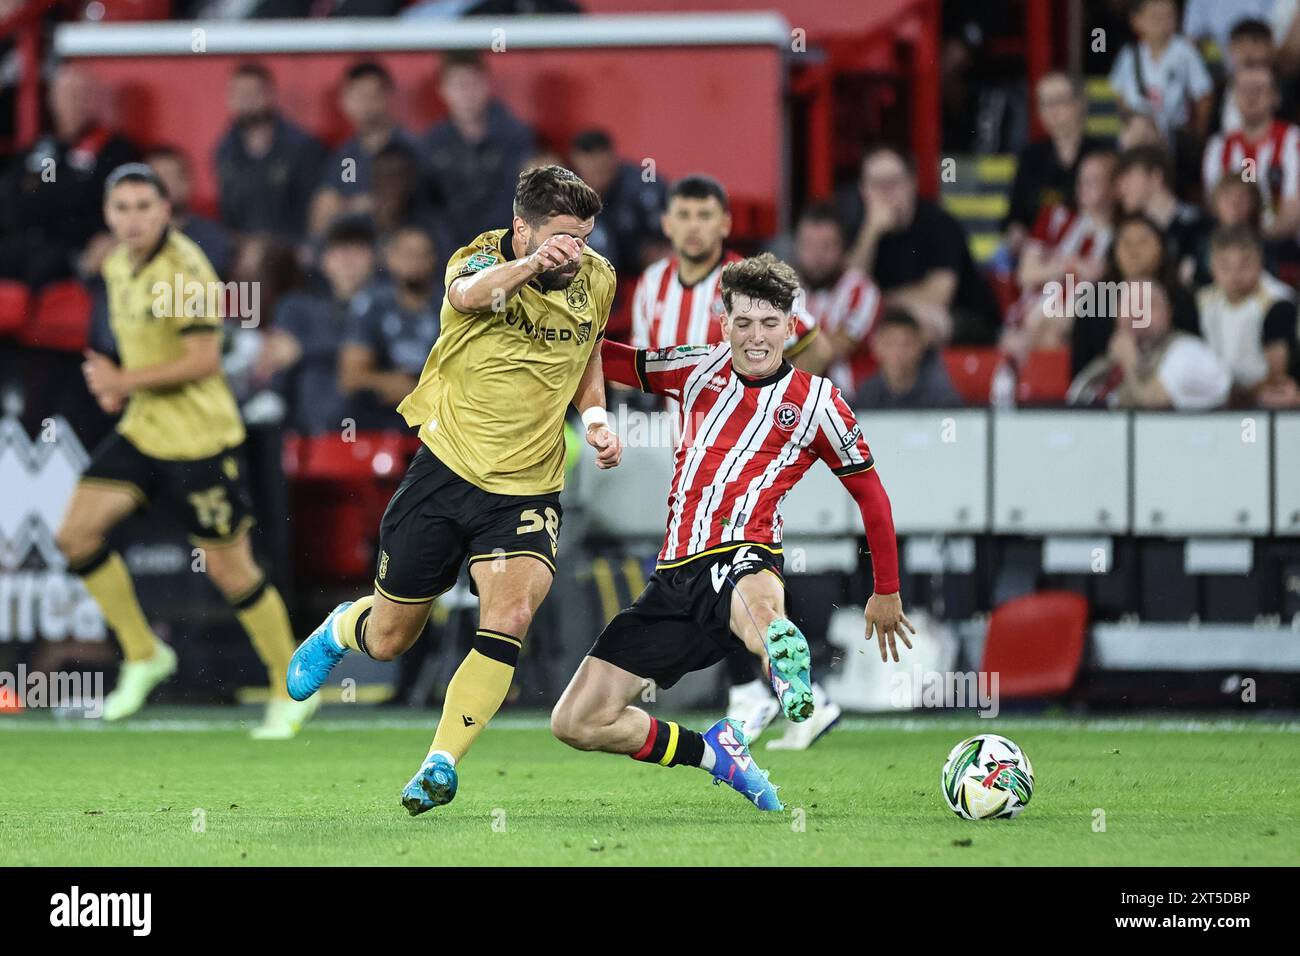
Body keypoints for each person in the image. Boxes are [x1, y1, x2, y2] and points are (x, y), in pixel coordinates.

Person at [284, 166, 621, 815]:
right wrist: (529, 266)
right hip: (446, 471)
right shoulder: (480, 257)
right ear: (520, 228)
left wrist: (598, 418)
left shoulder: (596, 276)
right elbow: (470, 297)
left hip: (528, 488)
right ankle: (337, 629)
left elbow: (588, 350)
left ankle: (440, 763)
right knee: (389, 639)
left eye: (582, 237)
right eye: (558, 238)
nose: (572, 253)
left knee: (510, 616)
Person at [549, 253, 913, 811]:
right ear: (725, 325)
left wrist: (885, 589)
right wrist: (551, 323)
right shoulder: (697, 367)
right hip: (671, 578)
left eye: (770, 323)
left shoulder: (819, 402)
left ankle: (782, 658)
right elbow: (603, 360)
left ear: (792, 328)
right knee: (576, 720)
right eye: (743, 322)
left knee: (758, 606)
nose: (757, 336)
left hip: (745, 551)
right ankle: (715, 753)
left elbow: (873, 496)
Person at [54, 164, 314, 739]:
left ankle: (289, 686)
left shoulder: (186, 270)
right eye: (121, 208)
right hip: (145, 430)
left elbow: (204, 361)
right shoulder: (117, 265)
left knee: (232, 571)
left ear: (166, 211)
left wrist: (123, 381)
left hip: (199, 438)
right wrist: (114, 379)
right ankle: (144, 654)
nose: (132, 219)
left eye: (144, 207)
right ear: (107, 214)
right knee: (74, 535)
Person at [631, 175, 827, 372]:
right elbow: (642, 362)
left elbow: (817, 348)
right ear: (667, 224)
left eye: (704, 216)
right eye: (683, 215)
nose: (693, 226)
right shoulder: (651, 281)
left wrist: (781, 399)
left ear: (725, 224)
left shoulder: (754, 280)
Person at [0, 63, 138, 288]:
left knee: (47, 265)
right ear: (52, 100)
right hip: (29, 243)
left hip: (78, 248)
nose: (75, 102)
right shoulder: (42, 148)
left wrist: (48, 192)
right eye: (67, 94)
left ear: (93, 101)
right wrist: (63, 190)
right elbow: (17, 199)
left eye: (82, 94)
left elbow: (103, 201)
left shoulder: (113, 148)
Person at [847, 145, 1001, 346]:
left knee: (924, 321)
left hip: (964, 319)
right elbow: (846, 292)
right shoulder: (860, 229)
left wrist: (876, 303)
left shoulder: (940, 223)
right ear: (863, 190)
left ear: (912, 182)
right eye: (876, 184)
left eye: (893, 183)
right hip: (895, 318)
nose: (885, 193)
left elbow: (938, 296)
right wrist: (870, 234)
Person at [258, 215, 377, 435]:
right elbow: (279, 358)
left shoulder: (388, 307)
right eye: (340, 249)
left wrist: (303, 350)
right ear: (324, 260)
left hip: (374, 423)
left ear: (375, 259)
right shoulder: (297, 307)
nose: (348, 260)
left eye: (358, 249)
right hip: (307, 425)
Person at [424, 51, 535, 246]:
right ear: (443, 90)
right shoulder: (432, 143)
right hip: (448, 251)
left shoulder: (516, 136)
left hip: (507, 245)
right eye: (458, 85)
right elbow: (428, 206)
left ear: (487, 85)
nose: (466, 93)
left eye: (473, 84)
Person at [338, 225, 442, 430]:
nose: (413, 260)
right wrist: (390, 383)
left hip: (436, 411)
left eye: (421, 254)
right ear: (390, 258)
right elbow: (350, 377)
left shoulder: (450, 304)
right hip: (380, 413)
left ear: (434, 259)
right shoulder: (371, 304)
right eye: (406, 253)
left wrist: (415, 390)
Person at [1068, 279, 1232, 409]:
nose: (1138, 314)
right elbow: (1072, 401)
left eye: (1148, 305)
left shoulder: (1187, 352)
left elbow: (1153, 406)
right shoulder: (1105, 363)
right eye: (1129, 305)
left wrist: (1130, 361)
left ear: (1168, 312)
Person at [309, 61, 423, 237]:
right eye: (357, 96)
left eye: (371, 96)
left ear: (388, 97)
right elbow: (326, 208)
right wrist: (354, 205)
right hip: (355, 248)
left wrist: (356, 205)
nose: (365, 104)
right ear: (344, 101)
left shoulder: (411, 150)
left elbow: (394, 208)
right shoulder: (348, 156)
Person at [213, 62, 325, 240]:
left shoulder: (302, 147)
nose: (245, 101)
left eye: (252, 93)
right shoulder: (224, 150)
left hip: (293, 249)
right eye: (238, 94)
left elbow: (316, 209)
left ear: (271, 95)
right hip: (243, 251)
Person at [1004, 72, 1109, 254]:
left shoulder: (1102, 153)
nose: (1051, 110)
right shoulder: (1031, 156)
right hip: (1039, 251)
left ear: (1080, 102)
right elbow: (1016, 213)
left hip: (1090, 248)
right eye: (1044, 103)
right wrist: (1016, 231)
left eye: (1059, 100)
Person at [1194, 225, 1300, 406]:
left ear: (1260, 261)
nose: (1235, 274)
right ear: (1212, 265)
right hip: (1219, 395)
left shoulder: (1278, 303)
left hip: (1261, 399)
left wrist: (1240, 397)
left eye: (1244, 264)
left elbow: (1277, 374)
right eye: (1225, 265)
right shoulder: (1202, 300)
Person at [1108, 0, 1214, 178]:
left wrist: (1196, 135)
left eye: (1168, 16)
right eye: (1155, 17)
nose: (1162, 23)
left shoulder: (1185, 52)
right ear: (1136, 21)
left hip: (1173, 133)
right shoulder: (1128, 55)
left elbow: (1204, 96)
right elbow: (1121, 99)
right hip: (1137, 131)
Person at [793, 202, 882, 396]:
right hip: (803, 403)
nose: (816, 256)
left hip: (854, 403)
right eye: (808, 245)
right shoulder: (787, 291)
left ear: (843, 248)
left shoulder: (861, 290)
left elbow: (834, 347)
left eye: (826, 246)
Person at [1202, 65, 1300, 241]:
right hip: (1233, 245)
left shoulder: (1294, 141)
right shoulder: (1217, 147)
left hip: (1285, 246)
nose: (1251, 96)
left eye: (1259, 89)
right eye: (1243, 89)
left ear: (1276, 97)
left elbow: (1295, 209)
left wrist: (1260, 242)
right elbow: (1215, 206)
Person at [568, 127, 668, 274]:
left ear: (613, 158)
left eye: (601, 169)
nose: (595, 176)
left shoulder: (642, 186)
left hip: (643, 268)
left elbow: (669, 239)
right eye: (588, 171)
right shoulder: (568, 190)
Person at [145, 145, 234, 277]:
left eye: (171, 176)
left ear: (187, 183)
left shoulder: (212, 237)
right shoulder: (126, 238)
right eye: (156, 178)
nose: (163, 185)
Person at [855, 309, 963, 409]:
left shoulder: (940, 393)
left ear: (921, 346)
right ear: (876, 347)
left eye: (907, 343)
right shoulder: (867, 392)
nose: (898, 351)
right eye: (890, 343)